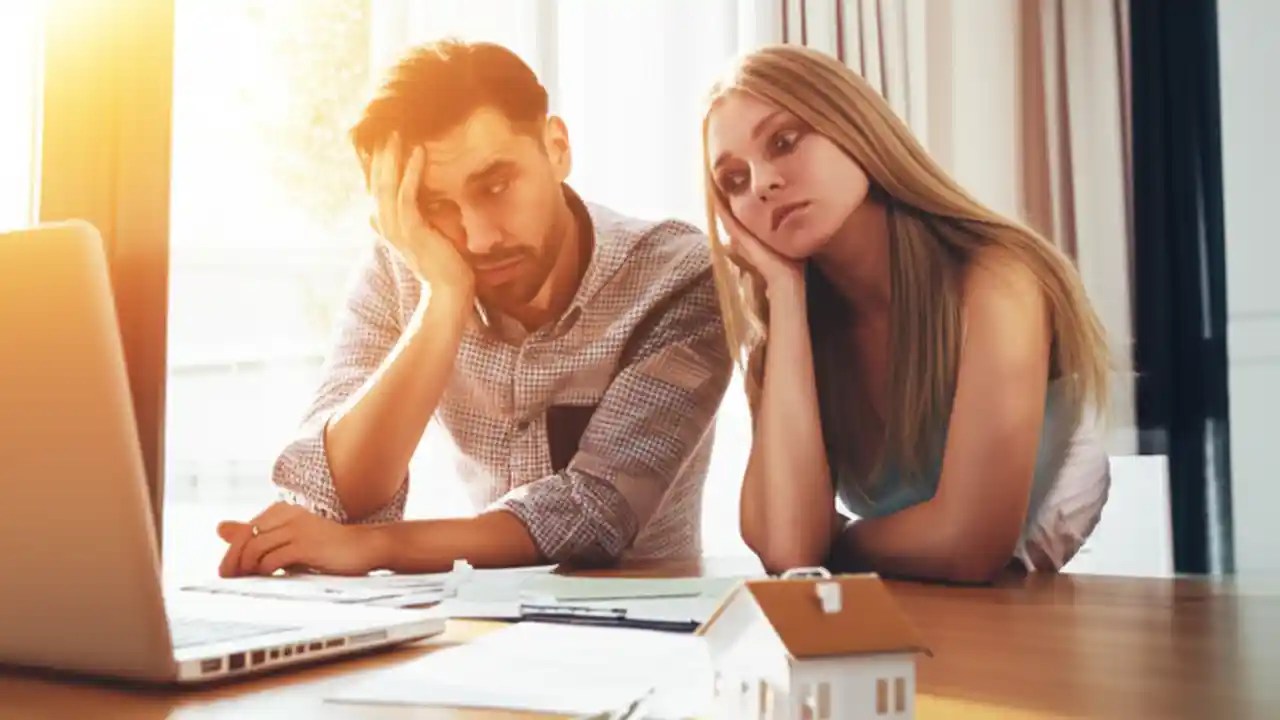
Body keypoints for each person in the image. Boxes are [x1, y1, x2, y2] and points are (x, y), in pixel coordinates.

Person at [215, 40, 731, 577]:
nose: (479, 238)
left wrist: (379, 547)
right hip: (477, 630)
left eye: (497, 185)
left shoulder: (679, 275)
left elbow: (594, 512)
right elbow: (327, 495)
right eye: (437, 207)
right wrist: (442, 300)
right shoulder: (408, 268)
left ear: (556, 148)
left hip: (650, 634)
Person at [701, 44, 1111, 583]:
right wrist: (785, 292)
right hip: (890, 629)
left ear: (854, 126)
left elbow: (968, 545)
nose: (762, 184)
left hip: (1027, 625)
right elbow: (791, 548)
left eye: (784, 141)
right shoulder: (788, 337)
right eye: (733, 181)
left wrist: (839, 543)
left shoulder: (998, 280)